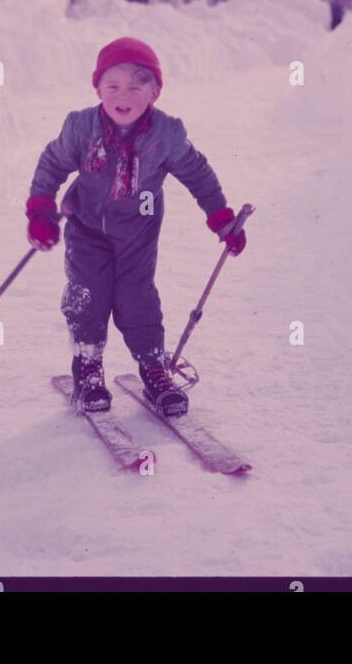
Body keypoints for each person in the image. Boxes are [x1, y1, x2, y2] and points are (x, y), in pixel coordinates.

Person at [25, 36, 244, 417]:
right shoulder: (80, 127)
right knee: (89, 296)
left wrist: (220, 216)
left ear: (155, 92)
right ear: (98, 89)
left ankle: (153, 366)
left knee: (136, 297)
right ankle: (88, 366)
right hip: (87, 227)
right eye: (112, 85)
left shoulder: (167, 134)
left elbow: (197, 173)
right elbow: (53, 163)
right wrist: (41, 208)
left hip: (138, 233)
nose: (122, 95)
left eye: (136, 85)